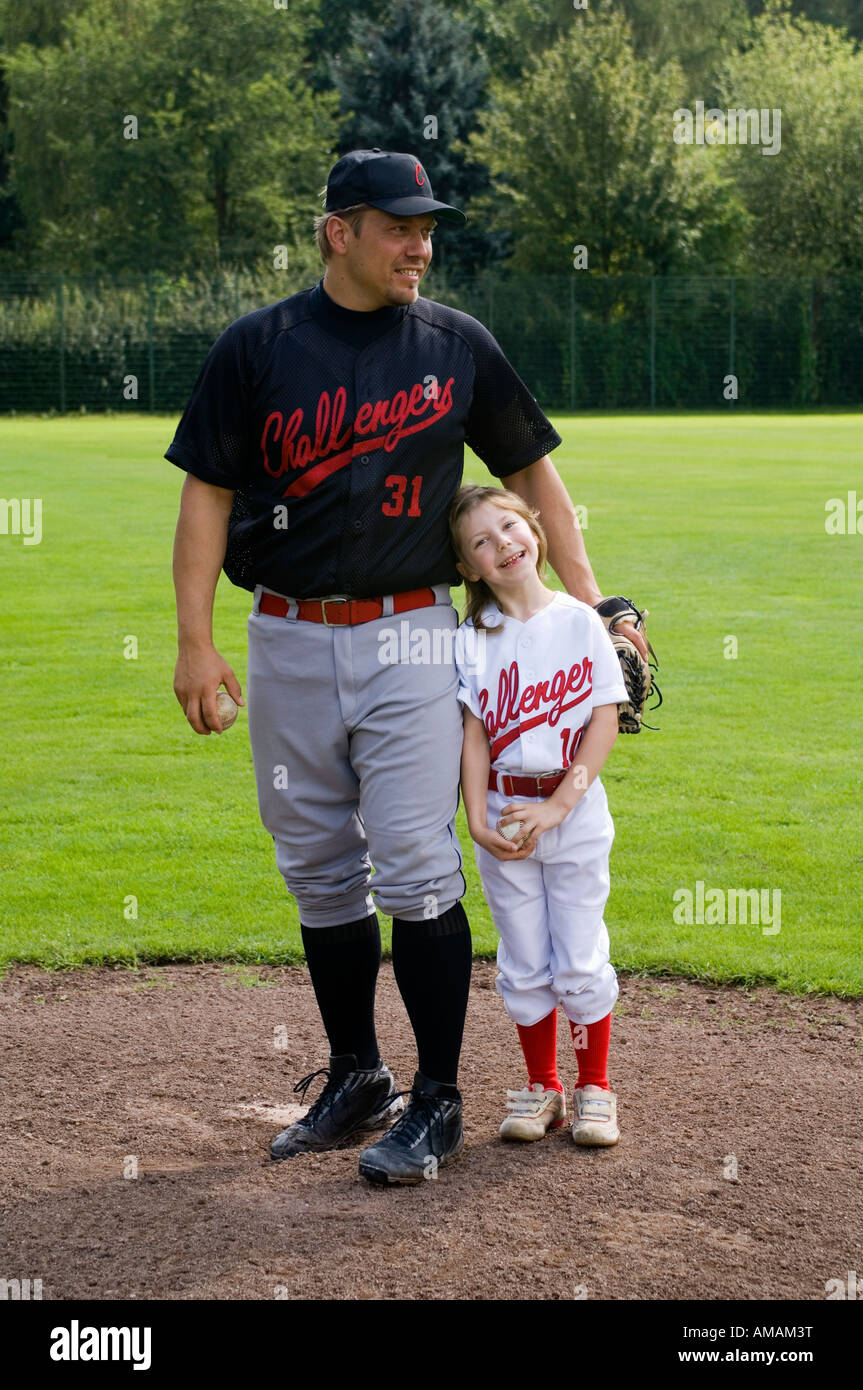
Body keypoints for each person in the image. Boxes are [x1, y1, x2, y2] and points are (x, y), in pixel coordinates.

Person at [168, 147, 646, 1186]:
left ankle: (436, 1098)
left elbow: (533, 473)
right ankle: (356, 1075)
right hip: (286, 633)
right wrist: (195, 638)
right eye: (399, 226)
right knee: (316, 864)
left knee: (417, 863)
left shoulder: (453, 345)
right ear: (338, 230)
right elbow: (205, 491)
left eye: (427, 227)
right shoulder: (258, 348)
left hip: (413, 637)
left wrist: (592, 600)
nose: (421, 244)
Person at [450, 484, 628, 1147]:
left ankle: (593, 1088)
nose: (502, 545)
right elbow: (473, 735)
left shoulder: (579, 620)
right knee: (523, 959)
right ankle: (543, 1088)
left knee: (579, 956)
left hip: (571, 809)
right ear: (468, 568)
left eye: (509, 527)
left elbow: (603, 720)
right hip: (503, 811)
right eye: (481, 542)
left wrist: (558, 805)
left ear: (534, 528)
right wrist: (476, 820)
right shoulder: (471, 638)